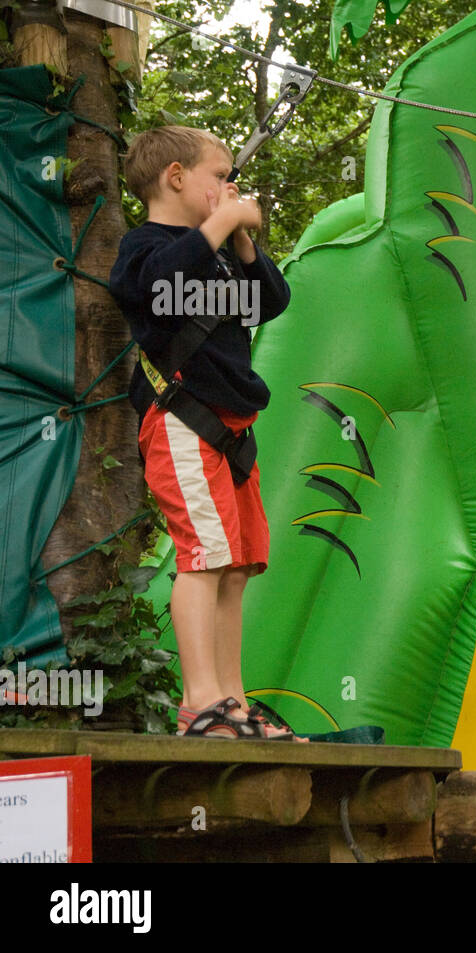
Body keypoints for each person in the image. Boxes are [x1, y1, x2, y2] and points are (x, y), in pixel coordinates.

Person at [109, 125, 296, 739]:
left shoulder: (213, 251)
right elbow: (156, 290)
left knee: (237, 565)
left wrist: (240, 237)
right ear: (176, 177)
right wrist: (218, 224)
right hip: (184, 422)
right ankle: (201, 703)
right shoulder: (144, 248)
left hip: (233, 430)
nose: (228, 188)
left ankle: (232, 702)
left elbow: (269, 301)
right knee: (205, 557)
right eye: (219, 177)